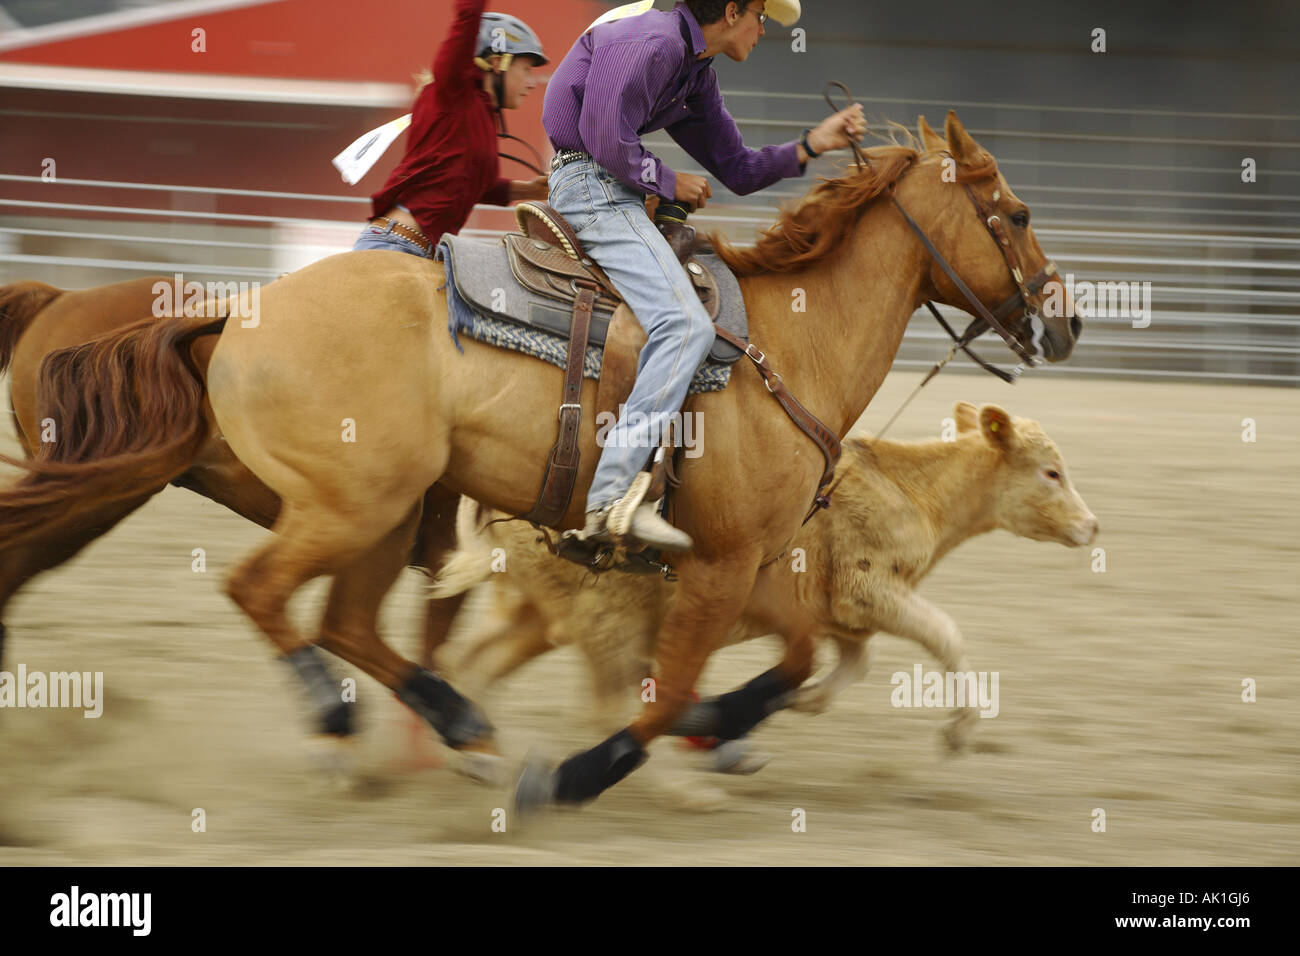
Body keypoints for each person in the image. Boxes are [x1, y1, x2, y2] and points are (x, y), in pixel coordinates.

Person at [542, 0, 866, 552]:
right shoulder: (656, 42)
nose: (764, 31)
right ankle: (611, 499)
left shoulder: (694, 74)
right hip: (591, 187)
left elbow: (737, 169)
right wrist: (668, 181)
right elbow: (601, 136)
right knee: (686, 326)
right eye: (760, 16)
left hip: (611, 188)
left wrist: (812, 145)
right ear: (733, 8)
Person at [355, 1, 550, 258]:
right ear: (496, 63)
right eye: (525, 70)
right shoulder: (455, 92)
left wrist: (530, 190)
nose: (531, 82)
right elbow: (466, 20)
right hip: (398, 245)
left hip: (421, 249)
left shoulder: (478, 112)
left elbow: (474, 186)